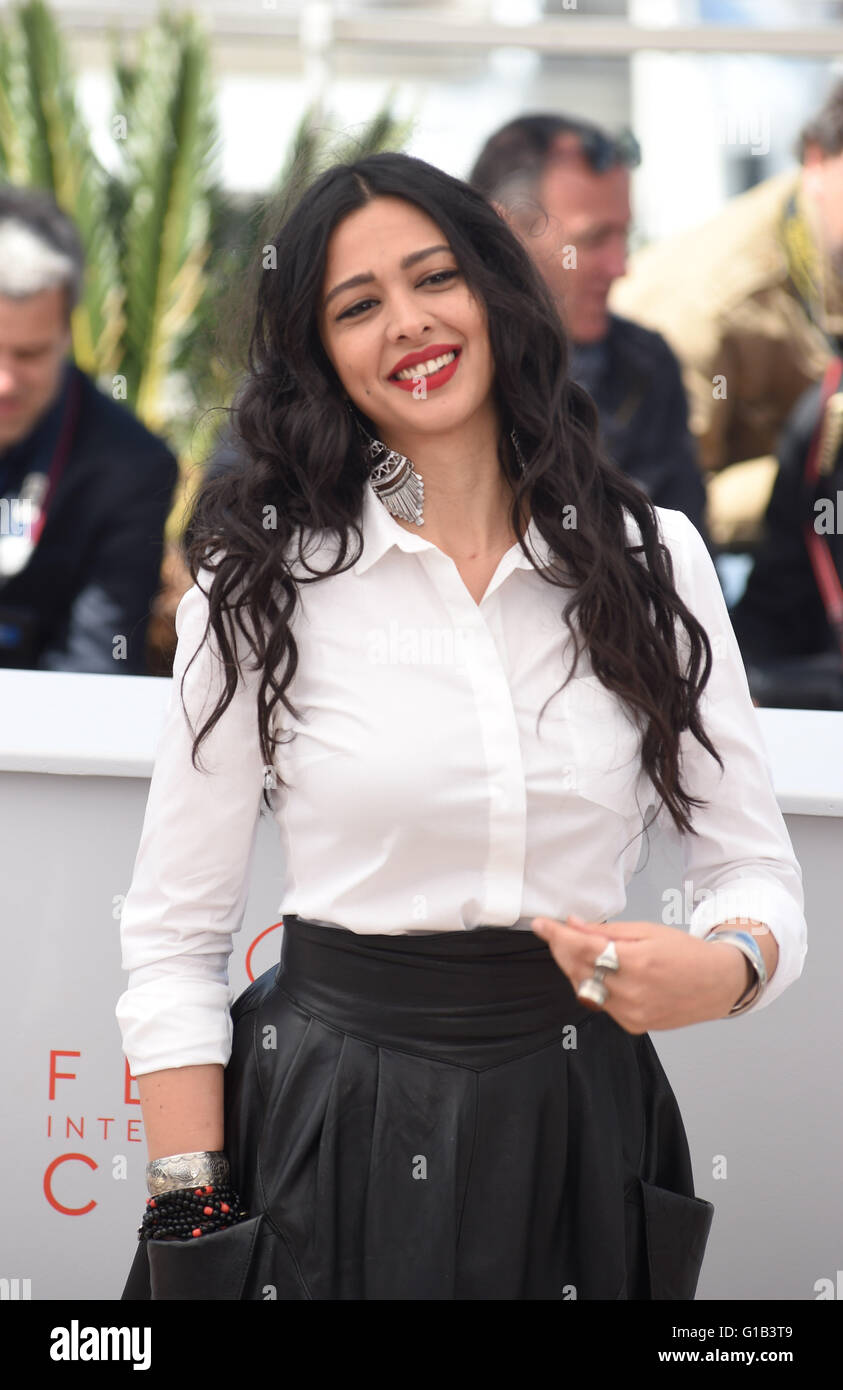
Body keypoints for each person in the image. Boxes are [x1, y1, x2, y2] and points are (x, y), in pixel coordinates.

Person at [116, 151, 806, 1302]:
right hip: (325, 1123)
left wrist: (726, 970)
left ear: (492, 289)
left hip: (583, 1119)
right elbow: (175, 938)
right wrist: (194, 1210)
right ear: (319, 354)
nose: (408, 323)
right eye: (357, 305)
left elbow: (754, 873)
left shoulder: (654, 562)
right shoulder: (261, 584)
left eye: (433, 278)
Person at [609, 80, 843, 551]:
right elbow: (668, 512)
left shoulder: (818, 227)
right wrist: (819, 468)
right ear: (816, 161)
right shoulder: (705, 307)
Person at [468, 113, 712, 550]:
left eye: (624, 236)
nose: (620, 267)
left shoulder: (646, 367)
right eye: (594, 239)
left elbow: (684, 562)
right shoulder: (439, 371)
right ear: (501, 233)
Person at [0, 186, 179, 673]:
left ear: (67, 333)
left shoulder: (132, 467)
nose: (5, 382)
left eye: (30, 353)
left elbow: (99, 669)